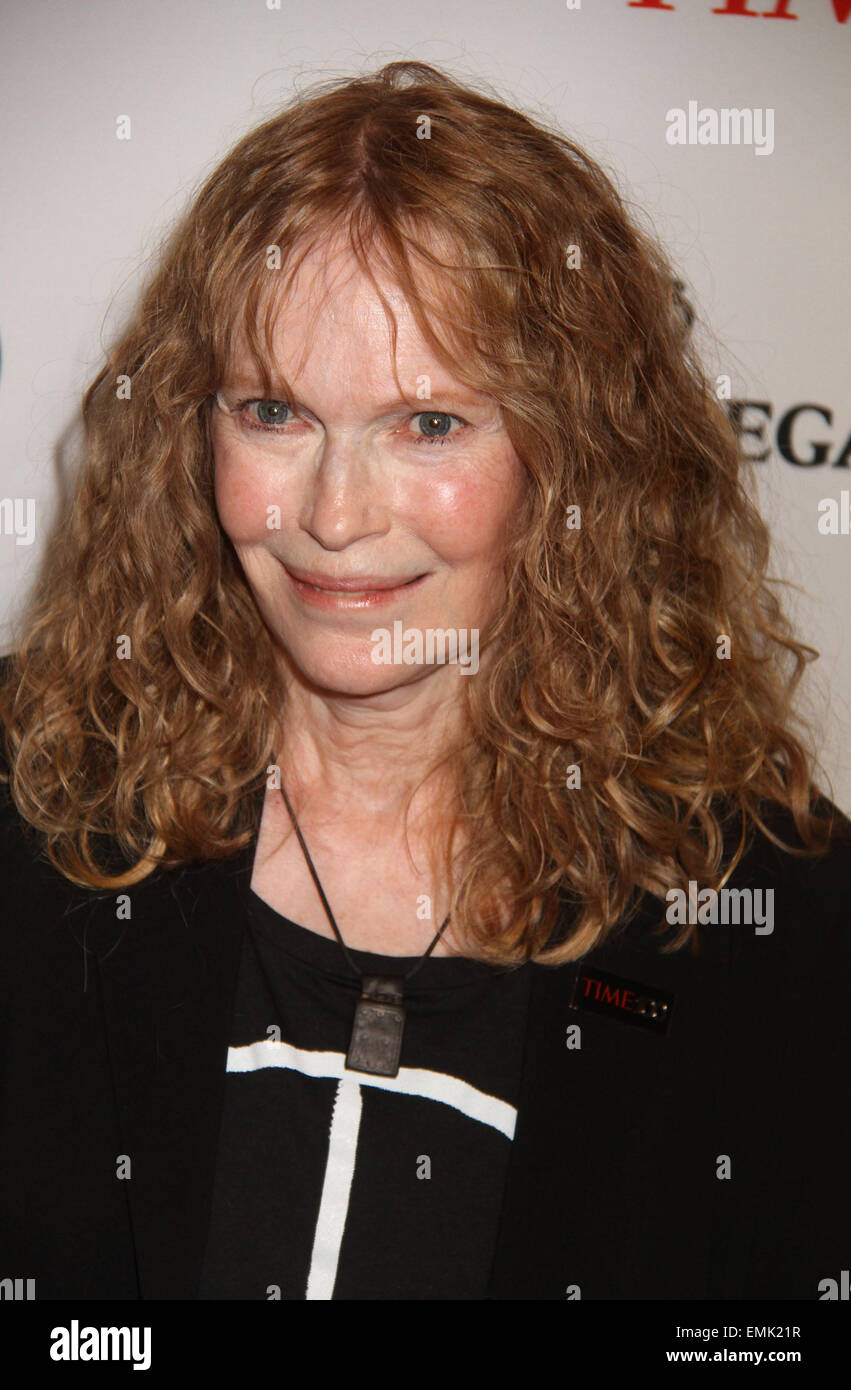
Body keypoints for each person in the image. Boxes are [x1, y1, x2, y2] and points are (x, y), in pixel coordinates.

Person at [0, 59, 848, 1302]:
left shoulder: (768, 919)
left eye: (429, 425)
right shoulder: (30, 790)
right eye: (274, 412)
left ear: (572, 460)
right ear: (193, 425)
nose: (333, 518)